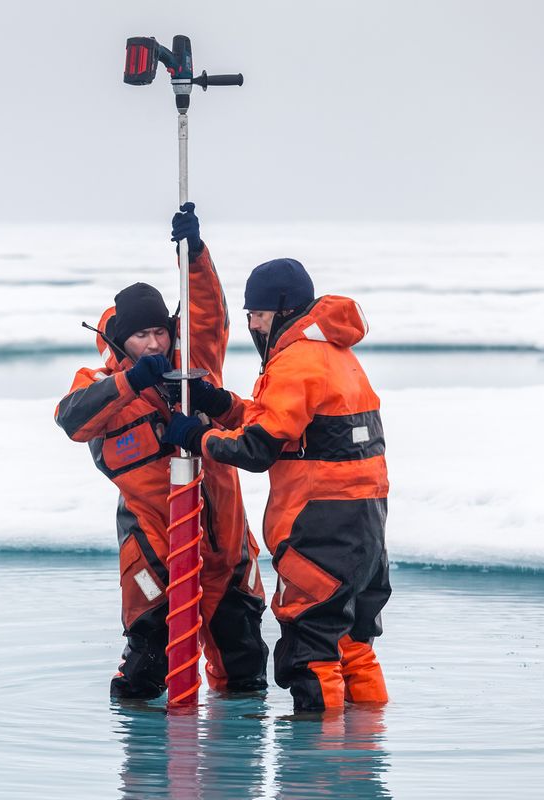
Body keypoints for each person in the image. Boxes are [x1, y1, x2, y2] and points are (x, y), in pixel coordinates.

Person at [55, 203, 268, 700]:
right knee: (144, 670)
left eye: (159, 332)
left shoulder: (196, 365)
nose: (153, 343)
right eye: (141, 335)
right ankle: (144, 745)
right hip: (153, 545)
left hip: (224, 542)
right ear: (121, 341)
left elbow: (208, 312)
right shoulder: (100, 385)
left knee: (245, 669)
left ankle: (236, 746)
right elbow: (72, 420)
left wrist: (193, 255)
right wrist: (132, 381)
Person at [161, 257, 391, 713]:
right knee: (352, 646)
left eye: (258, 314)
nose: (252, 324)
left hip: (319, 526)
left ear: (283, 310)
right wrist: (221, 404)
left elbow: (257, 448)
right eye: (248, 314)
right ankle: (367, 742)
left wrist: (196, 436)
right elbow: (287, 426)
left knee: (311, 651)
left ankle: (318, 755)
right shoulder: (336, 355)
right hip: (364, 525)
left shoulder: (295, 362)